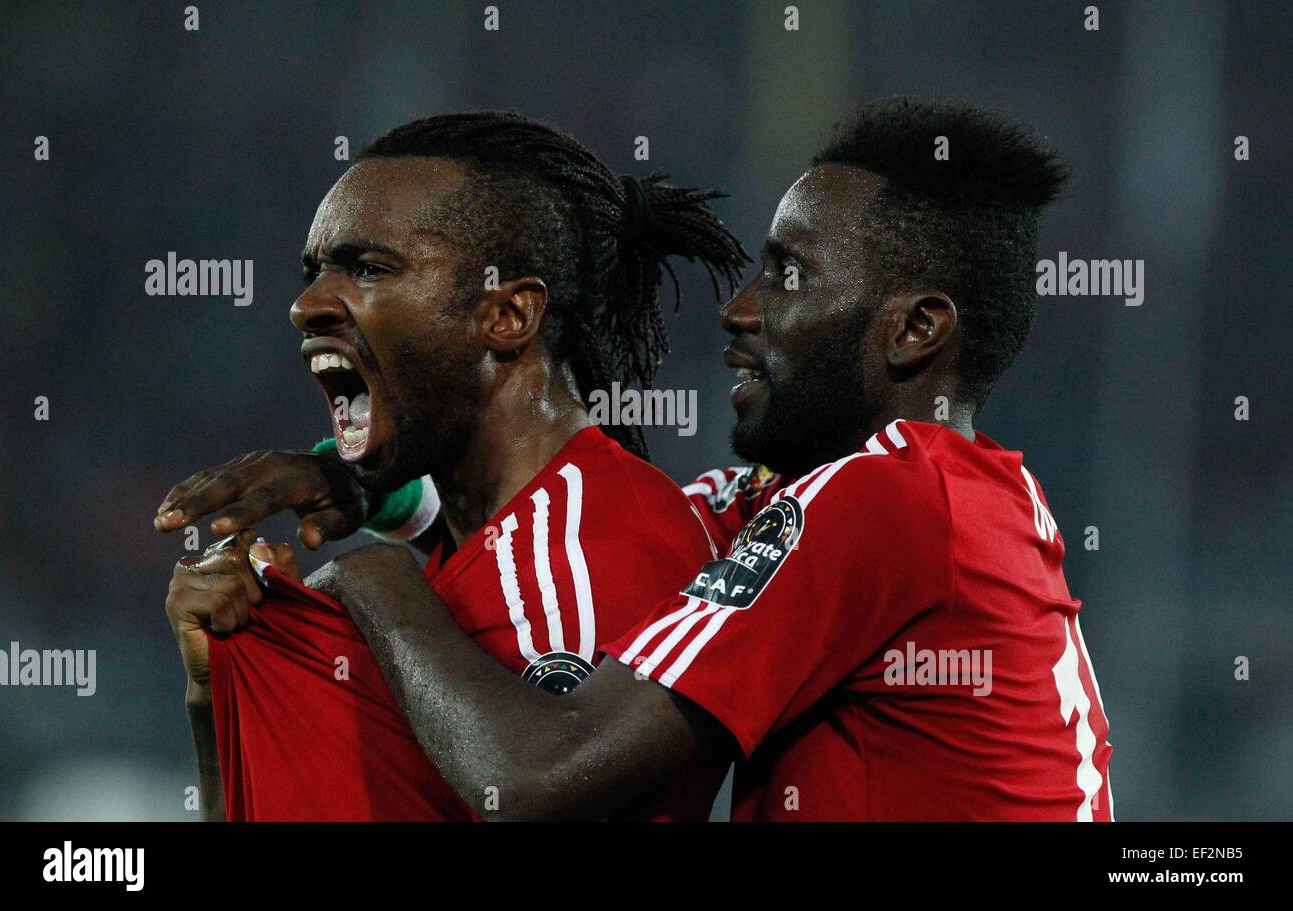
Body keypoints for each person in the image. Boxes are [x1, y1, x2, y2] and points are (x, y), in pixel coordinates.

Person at [176, 98, 1114, 821]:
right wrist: (369, 491)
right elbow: (635, 518)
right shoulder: (913, 497)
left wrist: (371, 575)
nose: (739, 309)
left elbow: (536, 773)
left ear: (914, 331)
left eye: (787, 276)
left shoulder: (895, 497)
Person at [157, 111, 746, 820]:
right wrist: (214, 699)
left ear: (507, 316)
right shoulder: (473, 551)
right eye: (314, 273)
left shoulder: (583, 567)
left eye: (369, 268)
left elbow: (540, 778)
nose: (306, 305)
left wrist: (370, 577)